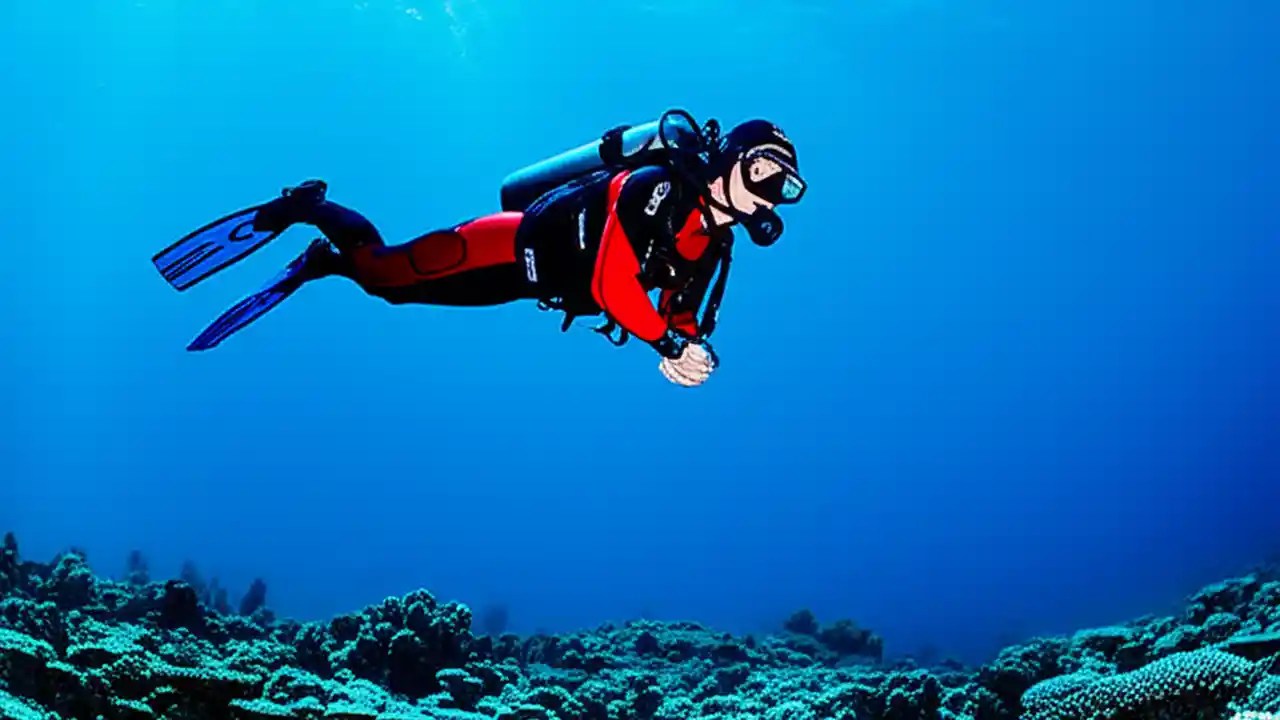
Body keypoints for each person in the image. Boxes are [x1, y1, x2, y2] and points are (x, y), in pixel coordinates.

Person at [153, 110, 807, 387]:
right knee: (386, 276)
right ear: (727, 159)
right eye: (764, 172)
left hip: (528, 284)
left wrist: (690, 351)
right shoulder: (653, 185)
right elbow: (613, 280)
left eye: (786, 186)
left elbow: (683, 310)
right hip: (506, 244)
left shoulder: (712, 245)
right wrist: (665, 343)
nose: (771, 194)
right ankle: (308, 209)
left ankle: (327, 262)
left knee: (390, 293)